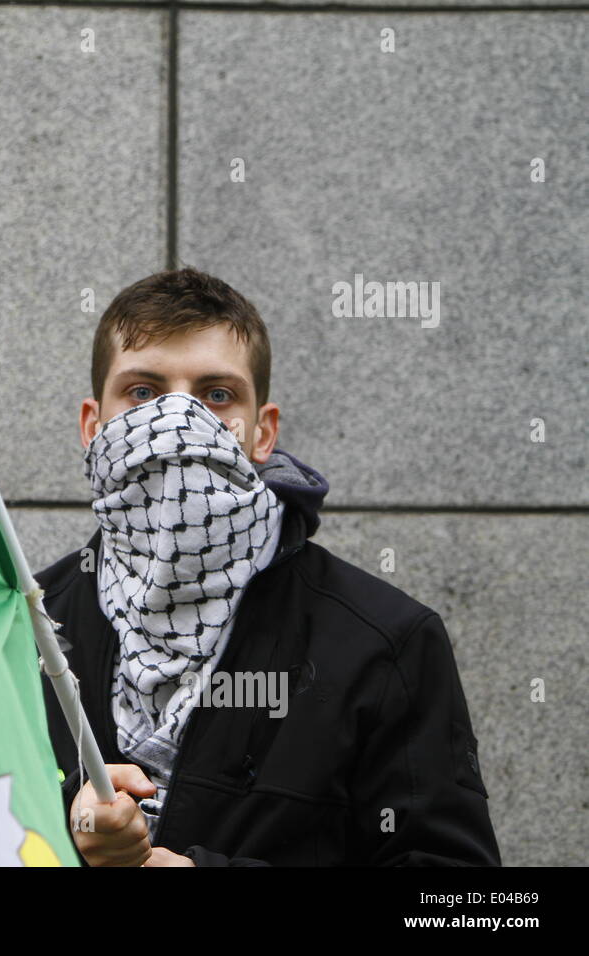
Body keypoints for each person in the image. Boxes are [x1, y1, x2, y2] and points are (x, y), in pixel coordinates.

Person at [36, 266, 501, 867]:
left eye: (217, 395)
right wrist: (59, 821)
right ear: (93, 426)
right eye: (144, 392)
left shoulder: (384, 642)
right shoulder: (25, 629)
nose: (179, 422)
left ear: (264, 433)